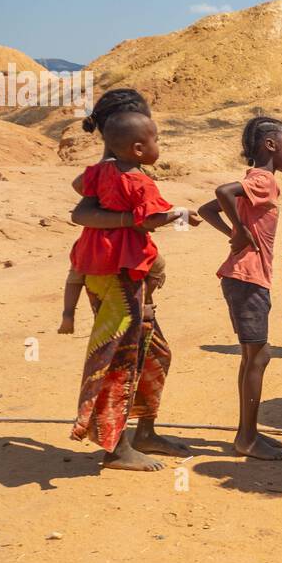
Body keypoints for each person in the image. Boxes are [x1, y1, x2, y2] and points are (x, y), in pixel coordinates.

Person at [68, 111, 201, 471]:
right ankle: (115, 449)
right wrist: (179, 214)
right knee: (121, 361)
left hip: (112, 274)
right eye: (156, 139)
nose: (160, 145)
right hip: (120, 278)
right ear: (139, 148)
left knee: (156, 353)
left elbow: (81, 193)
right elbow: (142, 220)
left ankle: (144, 433)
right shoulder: (139, 182)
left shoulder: (100, 173)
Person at [198, 116, 282, 460]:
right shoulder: (265, 181)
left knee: (252, 356)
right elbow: (220, 194)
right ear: (271, 145)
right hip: (248, 277)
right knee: (260, 355)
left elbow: (208, 209)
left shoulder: (254, 181)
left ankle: (248, 432)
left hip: (242, 277)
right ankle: (247, 438)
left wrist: (234, 232)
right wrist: (238, 232)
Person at [61, 87, 162, 335]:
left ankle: (69, 315)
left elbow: (80, 192)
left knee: (125, 342)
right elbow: (81, 214)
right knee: (120, 343)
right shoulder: (118, 173)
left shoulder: (106, 170)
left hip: (102, 259)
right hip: (119, 263)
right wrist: (131, 219)